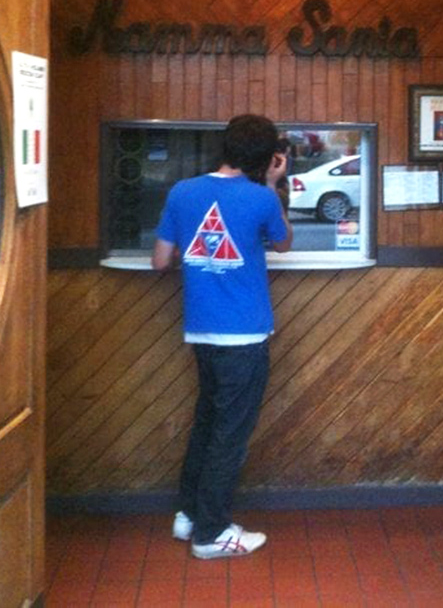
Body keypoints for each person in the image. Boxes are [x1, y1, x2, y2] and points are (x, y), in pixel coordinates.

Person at [152, 114, 292, 559]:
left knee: (208, 425)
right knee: (229, 435)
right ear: (267, 157)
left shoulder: (182, 192)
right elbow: (283, 243)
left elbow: (159, 261)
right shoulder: (260, 199)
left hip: (201, 331)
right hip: (245, 335)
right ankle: (211, 534)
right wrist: (271, 184)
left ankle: (189, 515)